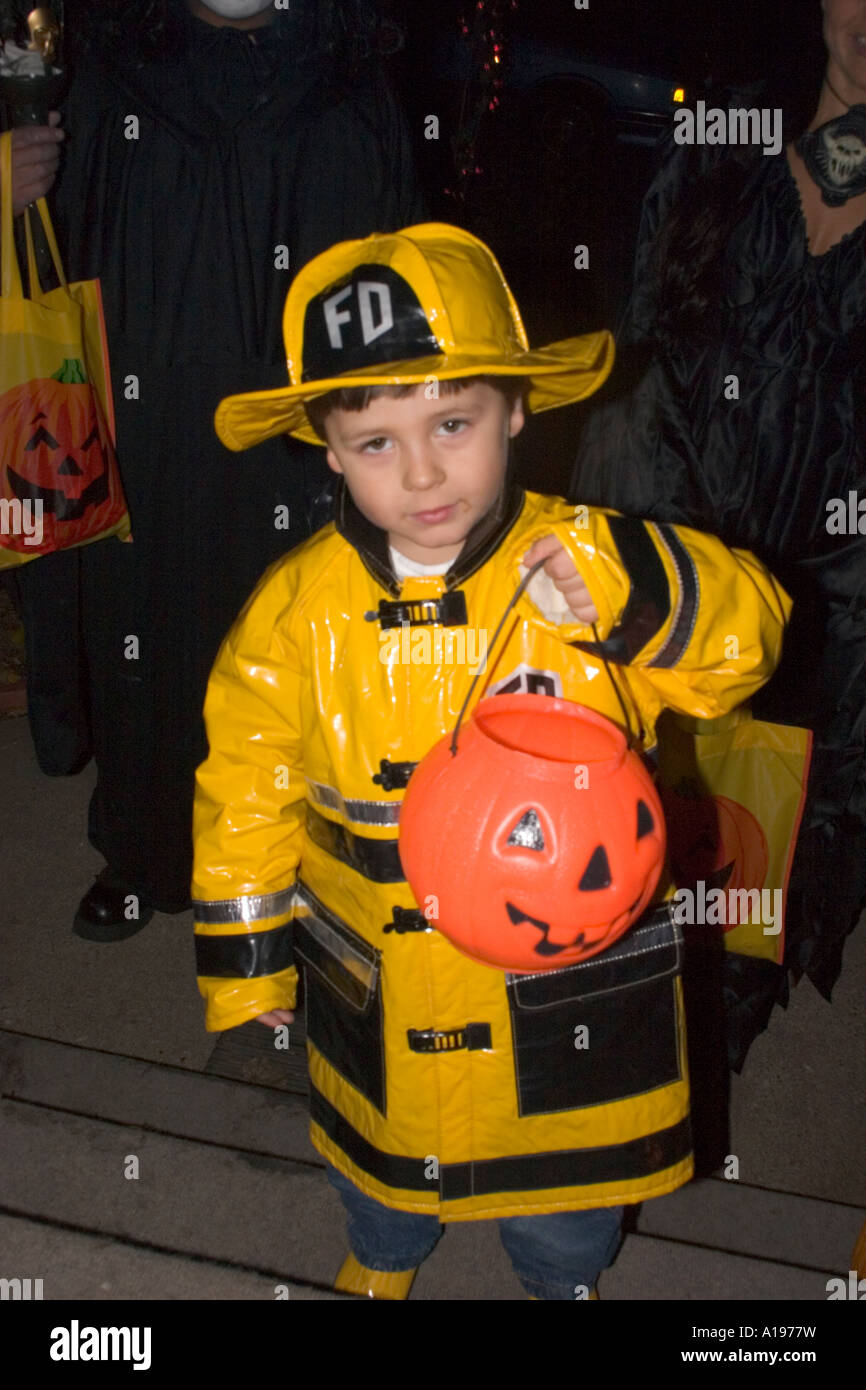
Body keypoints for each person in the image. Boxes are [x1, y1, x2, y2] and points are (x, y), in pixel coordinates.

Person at [190, 221, 790, 1300]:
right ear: (326, 448)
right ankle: (381, 1258)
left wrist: (634, 598)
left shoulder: (586, 569)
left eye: (452, 422)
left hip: (567, 987)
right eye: (375, 441)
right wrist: (247, 977)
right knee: (378, 1174)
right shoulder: (293, 614)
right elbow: (244, 791)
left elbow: (747, 644)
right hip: (376, 981)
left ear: (516, 409)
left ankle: (560, 1282)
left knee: (568, 1205)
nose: (421, 471)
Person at [9, 0, 423, 939]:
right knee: (139, 645)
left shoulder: (354, 90)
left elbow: (393, 274)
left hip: (294, 443)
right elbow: (53, 266)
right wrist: (15, 195)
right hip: (144, 434)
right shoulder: (114, 81)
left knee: (288, 655)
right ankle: (141, 851)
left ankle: (286, 872)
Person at [570, 0, 866, 1069]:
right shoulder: (724, 138)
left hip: (838, 578)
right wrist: (663, 558)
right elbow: (639, 342)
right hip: (678, 520)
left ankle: (717, 1036)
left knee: (768, 832)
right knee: (645, 801)